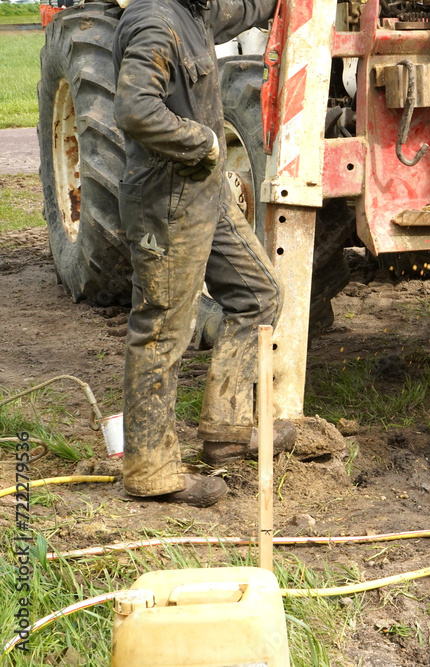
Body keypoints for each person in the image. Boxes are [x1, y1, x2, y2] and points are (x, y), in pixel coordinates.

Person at [113, 0, 292, 507]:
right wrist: (207, 143)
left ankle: (228, 432)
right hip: (167, 197)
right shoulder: (154, 22)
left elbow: (243, 9)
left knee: (259, 294)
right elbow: (135, 108)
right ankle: (151, 471)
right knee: (163, 327)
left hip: (204, 193)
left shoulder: (194, 12)